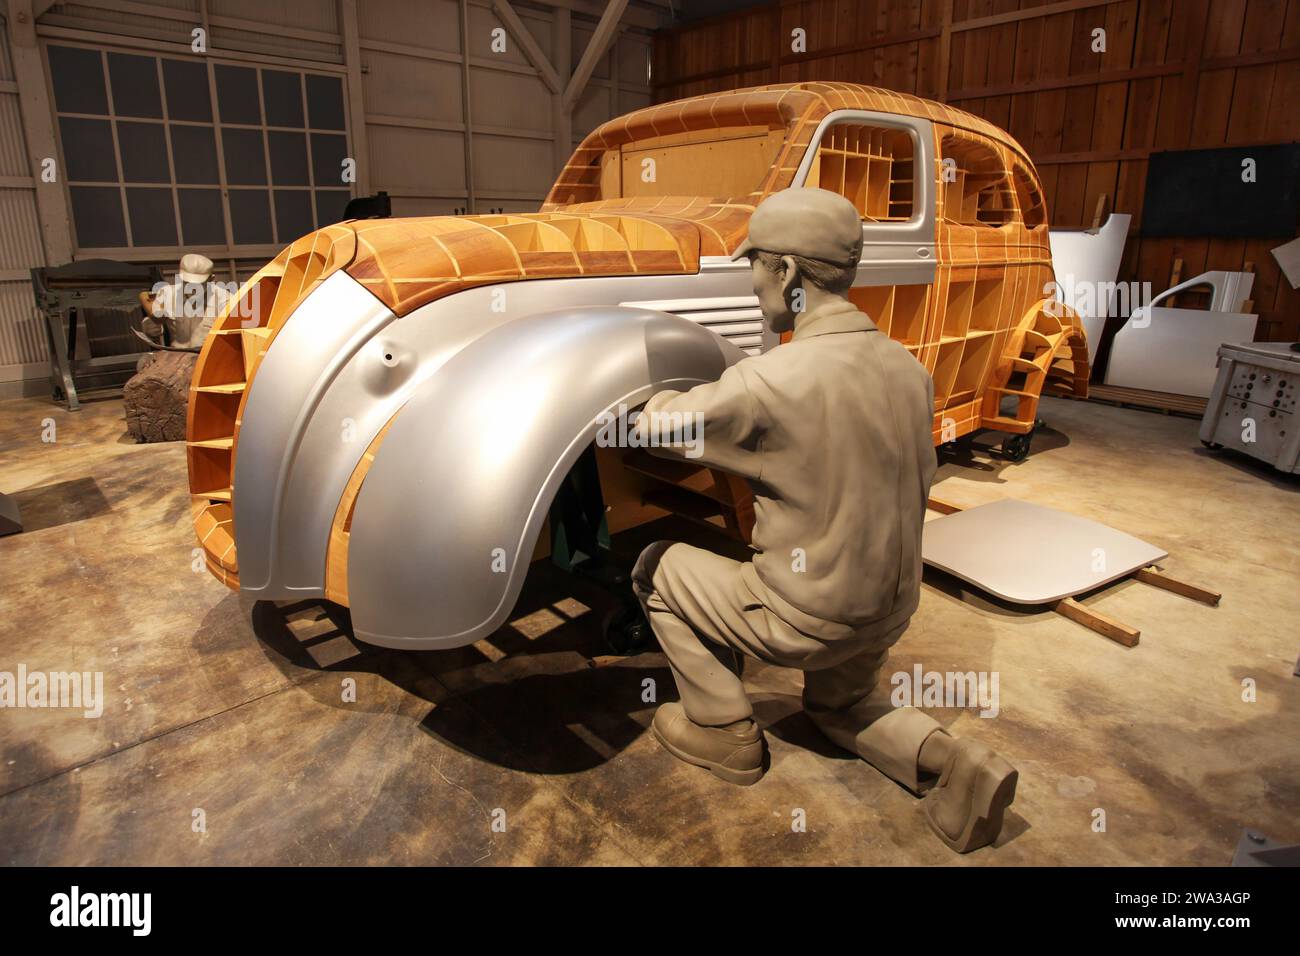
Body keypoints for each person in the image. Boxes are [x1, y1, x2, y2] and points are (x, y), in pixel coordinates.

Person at [630, 187, 1018, 853]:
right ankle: (950, 762)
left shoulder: (772, 380)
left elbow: (654, 429)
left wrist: (645, 393)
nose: (753, 284)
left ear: (784, 271)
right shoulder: (907, 370)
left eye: (755, 266)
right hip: (888, 610)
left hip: (803, 619)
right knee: (841, 707)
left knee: (655, 569)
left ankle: (722, 729)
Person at [138, 253, 231, 350]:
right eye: (186, 282)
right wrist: (149, 326)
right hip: (177, 358)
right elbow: (156, 319)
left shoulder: (225, 300)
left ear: (211, 279)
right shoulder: (167, 294)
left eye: (198, 284)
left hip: (209, 358)